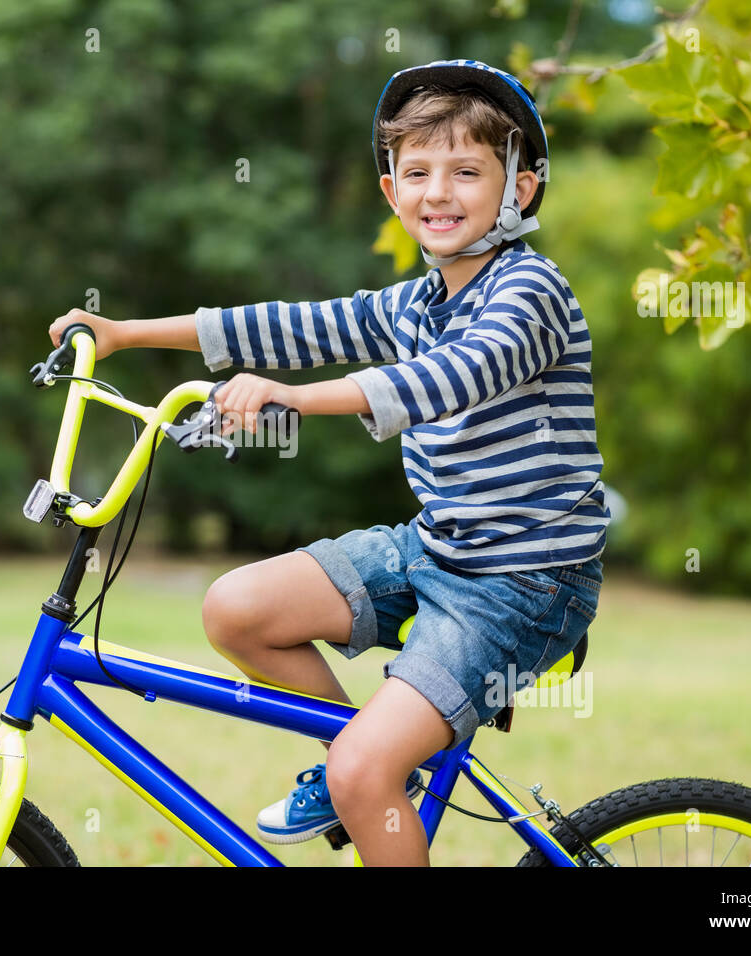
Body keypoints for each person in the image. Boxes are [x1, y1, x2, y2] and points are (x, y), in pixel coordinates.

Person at [48, 59, 610, 866]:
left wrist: (297, 400)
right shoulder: (417, 301)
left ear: (518, 189)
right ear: (392, 192)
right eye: (417, 172)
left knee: (361, 771)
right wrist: (126, 333)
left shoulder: (531, 292)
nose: (438, 192)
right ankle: (373, 768)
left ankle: (367, 770)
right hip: (440, 546)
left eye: (467, 171)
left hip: (525, 580)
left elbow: (449, 379)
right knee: (237, 610)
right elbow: (291, 326)